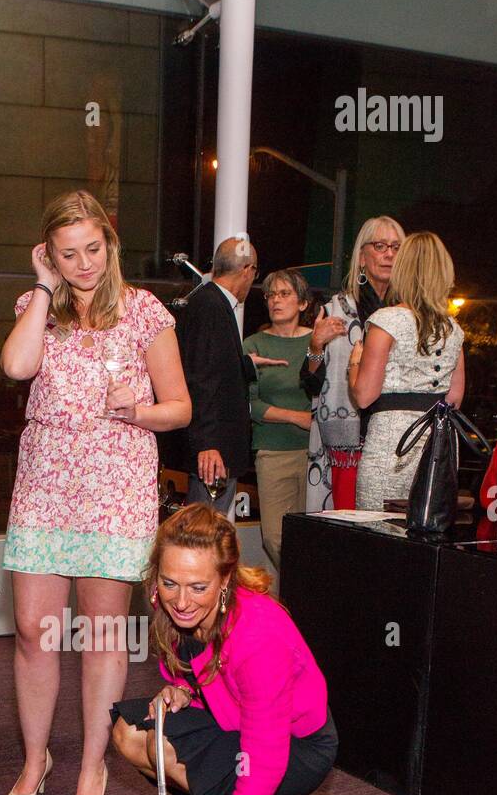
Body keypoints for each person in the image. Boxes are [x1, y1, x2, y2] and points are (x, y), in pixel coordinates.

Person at [0, 189, 190, 795]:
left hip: (115, 489)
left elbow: (180, 407)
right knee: (33, 628)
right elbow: (15, 366)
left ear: (110, 244)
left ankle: (91, 762)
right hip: (45, 485)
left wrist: (134, 410)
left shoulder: (144, 312)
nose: (83, 264)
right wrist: (42, 289)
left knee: (101, 633)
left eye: (93, 248)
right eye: (67, 254)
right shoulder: (38, 307)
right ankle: (35, 758)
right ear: (49, 256)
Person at [111, 504, 337, 795]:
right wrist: (182, 688)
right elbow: (194, 667)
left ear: (225, 579)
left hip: (296, 749)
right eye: (169, 583)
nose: (180, 601)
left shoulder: (257, 636)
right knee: (130, 734)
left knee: (163, 746)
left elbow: (265, 762)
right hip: (231, 719)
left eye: (198, 587)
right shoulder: (173, 604)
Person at [171, 236, 286, 519]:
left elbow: (209, 366)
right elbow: (202, 378)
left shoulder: (209, 302)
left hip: (215, 446)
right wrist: (207, 442)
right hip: (214, 449)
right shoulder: (212, 306)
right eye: (254, 273)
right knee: (206, 532)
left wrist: (243, 363)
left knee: (208, 529)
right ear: (247, 270)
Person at [351, 232, 465, 509]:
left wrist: (355, 363)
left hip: (391, 447)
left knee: (379, 537)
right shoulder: (453, 329)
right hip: (437, 448)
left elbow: (364, 396)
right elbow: (454, 399)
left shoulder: (386, 321)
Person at [302, 216, 406, 510]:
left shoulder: (409, 313)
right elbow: (310, 381)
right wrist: (316, 345)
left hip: (399, 444)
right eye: (380, 245)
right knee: (349, 529)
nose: (388, 254)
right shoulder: (335, 310)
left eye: (396, 247)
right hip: (350, 445)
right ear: (362, 257)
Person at [244, 269, 314, 569]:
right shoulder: (254, 345)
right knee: (275, 537)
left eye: (284, 294)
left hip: (317, 455)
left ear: (303, 303)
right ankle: (304, 590)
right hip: (273, 450)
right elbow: (249, 403)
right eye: (271, 295)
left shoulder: (318, 343)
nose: (275, 300)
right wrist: (296, 417)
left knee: (314, 537)